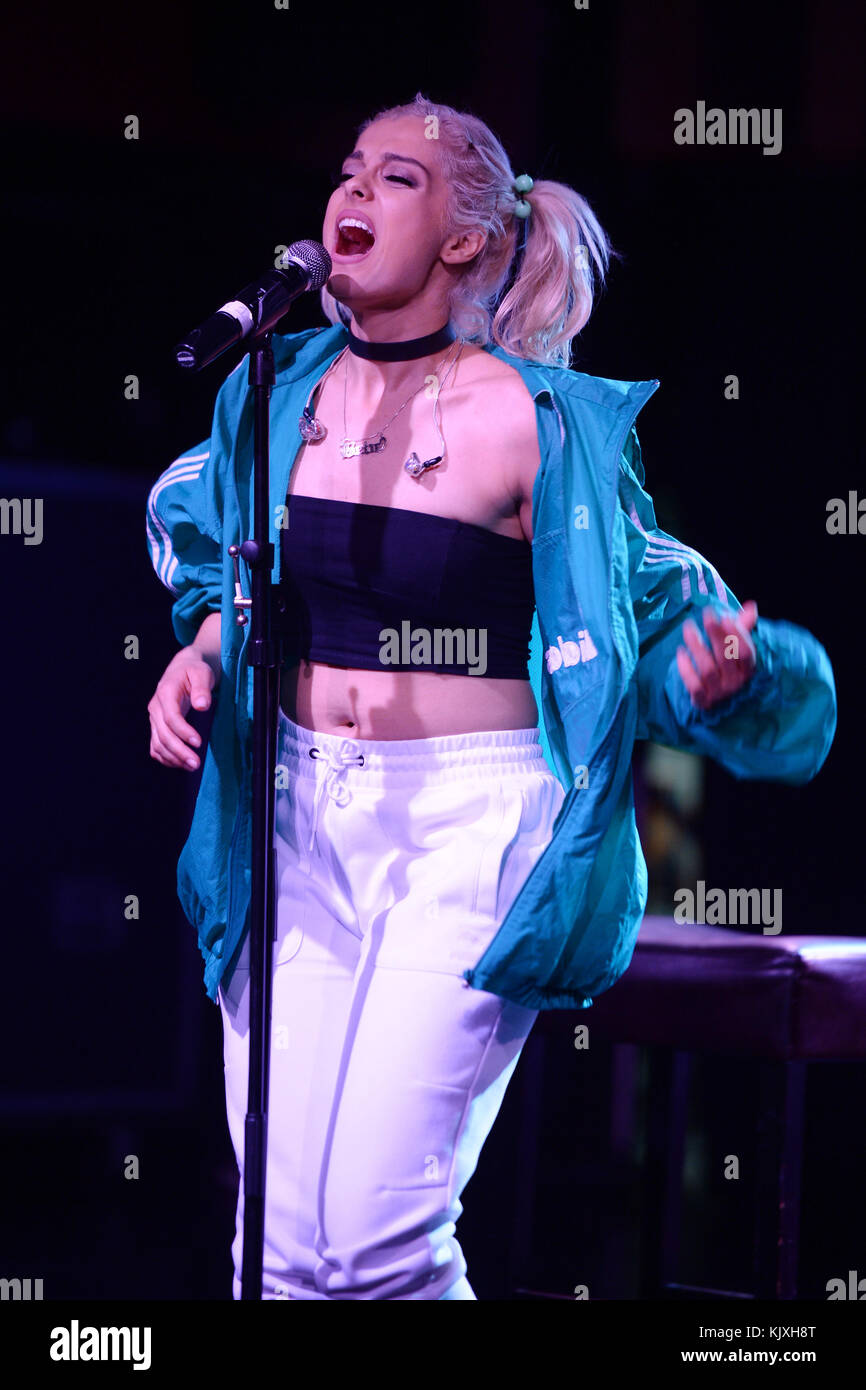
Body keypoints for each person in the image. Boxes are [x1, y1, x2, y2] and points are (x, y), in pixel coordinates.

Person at [145, 93, 836, 1300]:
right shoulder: (272, 392)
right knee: (282, 1246)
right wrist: (203, 646)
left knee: (375, 1239)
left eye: (395, 181)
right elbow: (224, 557)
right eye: (348, 169)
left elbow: (642, 612)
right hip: (293, 816)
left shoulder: (533, 419)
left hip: (469, 830)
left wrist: (725, 672)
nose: (352, 193)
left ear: (466, 238)